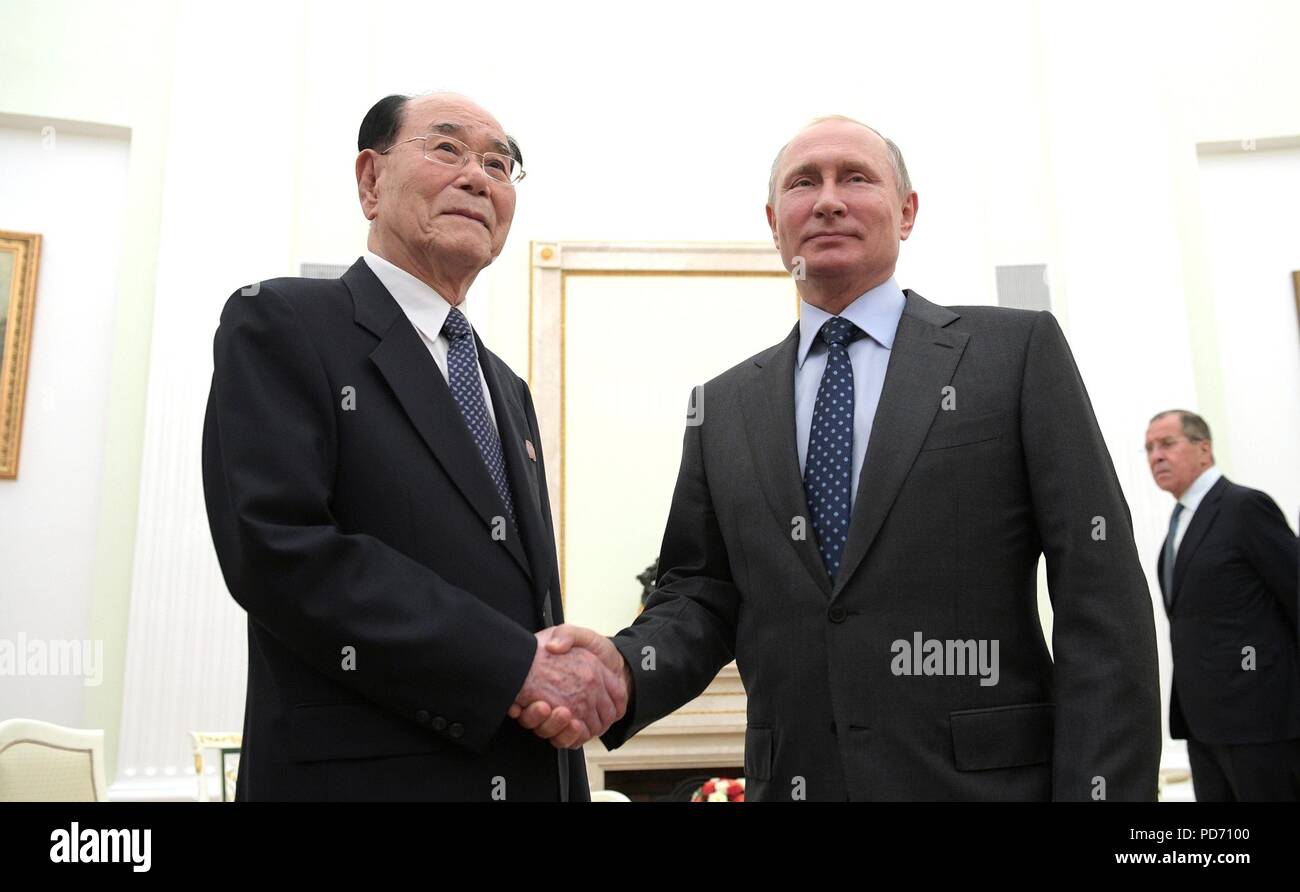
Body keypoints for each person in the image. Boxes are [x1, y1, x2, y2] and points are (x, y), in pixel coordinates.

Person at [524, 115, 1161, 800]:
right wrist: (625, 667)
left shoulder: (1014, 355)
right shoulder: (723, 407)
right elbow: (702, 595)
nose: (828, 199)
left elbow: (1101, 599)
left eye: (855, 177)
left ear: (907, 211)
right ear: (775, 222)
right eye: (804, 183)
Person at [202, 92, 626, 801]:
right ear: (371, 181)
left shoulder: (505, 385)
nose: (478, 177)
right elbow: (279, 549)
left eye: (499, 163)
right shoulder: (281, 322)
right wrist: (512, 665)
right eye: (447, 149)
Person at [1145, 409, 1300, 800]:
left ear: (1204, 449)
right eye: (1148, 449)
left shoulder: (1244, 508)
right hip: (1202, 726)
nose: (1155, 456)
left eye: (1167, 443)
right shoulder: (1177, 528)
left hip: (1259, 724)